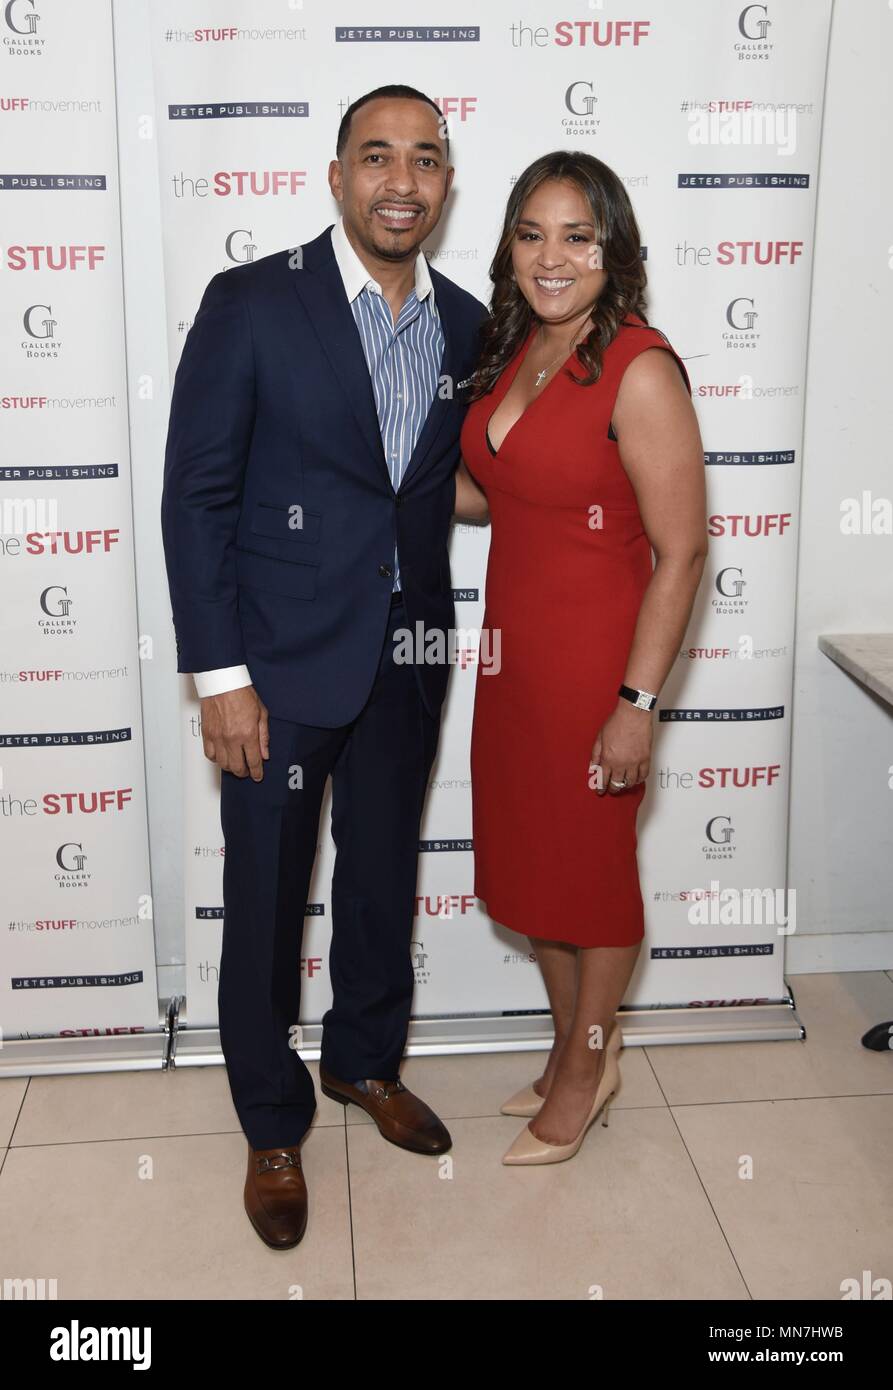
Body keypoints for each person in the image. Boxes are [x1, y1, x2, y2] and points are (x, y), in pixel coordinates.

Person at [161, 85, 488, 1248]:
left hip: (406, 656)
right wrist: (220, 676)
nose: (402, 180)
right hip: (278, 665)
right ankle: (270, 1118)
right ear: (336, 174)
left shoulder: (462, 322)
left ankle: (362, 1063)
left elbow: (464, 474)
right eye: (377, 156)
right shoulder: (252, 304)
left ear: (446, 183)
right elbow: (196, 497)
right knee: (264, 899)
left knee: (381, 871)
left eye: (426, 159)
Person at [455, 150, 707, 1166]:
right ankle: (574, 1046)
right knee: (534, 868)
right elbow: (505, 489)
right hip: (512, 659)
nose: (549, 256)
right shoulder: (520, 350)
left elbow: (682, 547)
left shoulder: (637, 365)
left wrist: (635, 699)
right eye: (529, 233)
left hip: (597, 665)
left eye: (575, 235)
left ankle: (587, 1063)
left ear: (613, 249)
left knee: (591, 875)